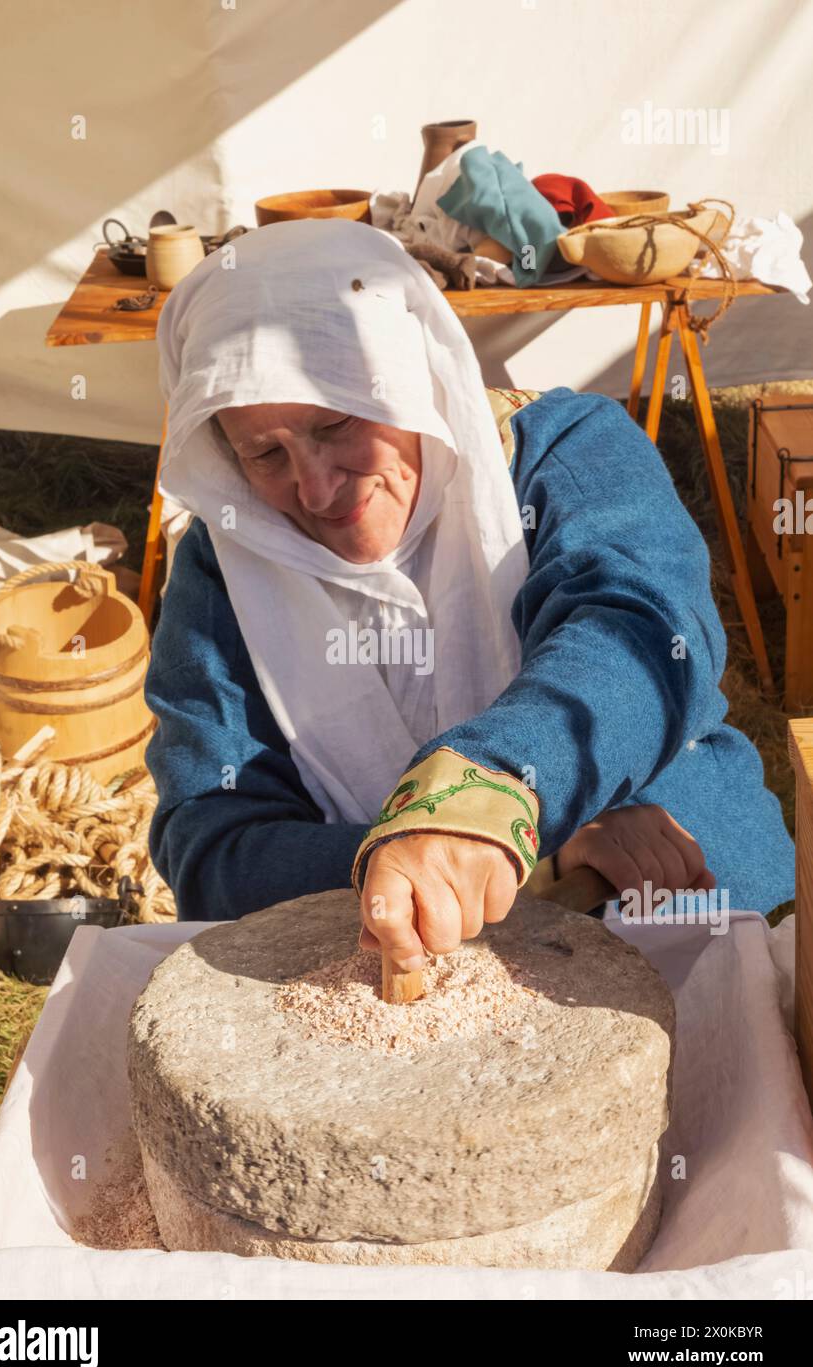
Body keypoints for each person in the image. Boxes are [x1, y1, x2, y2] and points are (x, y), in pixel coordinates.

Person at [144, 218, 794, 967]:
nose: (315, 488)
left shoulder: (558, 452)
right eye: (264, 453)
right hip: (389, 965)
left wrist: (498, 799)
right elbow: (214, 842)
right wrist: (433, 859)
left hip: (673, 888)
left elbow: (642, 634)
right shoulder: (228, 564)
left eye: (337, 422)